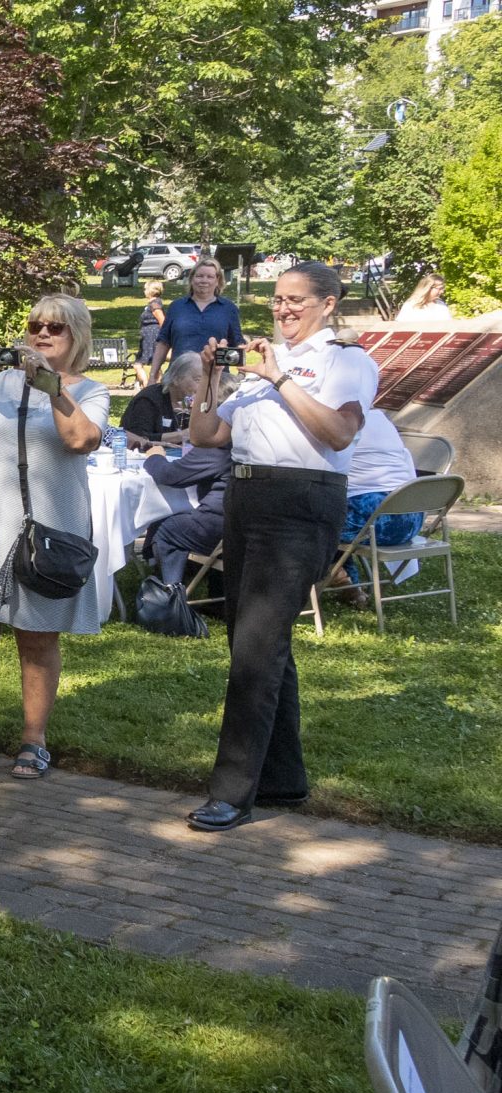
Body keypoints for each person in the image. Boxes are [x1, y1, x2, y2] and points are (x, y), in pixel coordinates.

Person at [183, 262, 374, 833]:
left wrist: (279, 379)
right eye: (278, 299)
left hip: (300, 501)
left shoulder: (345, 362)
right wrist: (213, 379)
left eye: (296, 300)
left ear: (328, 304)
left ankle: (233, 792)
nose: (284, 309)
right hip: (247, 500)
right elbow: (207, 435)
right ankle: (283, 779)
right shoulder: (264, 364)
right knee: (257, 643)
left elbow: (339, 432)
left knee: (255, 650)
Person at [0, 294, 109, 781]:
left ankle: (34, 739)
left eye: (55, 328)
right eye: (35, 325)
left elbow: (80, 440)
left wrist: (51, 387)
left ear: (76, 335)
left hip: (47, 528)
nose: (42, 334)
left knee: (36, 636)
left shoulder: (90, 391)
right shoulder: (2, 385)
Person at [339, 408, 422, 584]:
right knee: (329, 511)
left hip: (371, 524)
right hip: (412, 519)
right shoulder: (382, 419)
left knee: (313, 517)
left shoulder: (337, 422)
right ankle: (344, 578)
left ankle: (340, 575)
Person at [140, 440, 232, 587]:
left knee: (163, 526)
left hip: (220, 531)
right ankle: (216, 599)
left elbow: (168, 476)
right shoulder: (249, 441)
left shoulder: (217, 445)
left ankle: (172, 598)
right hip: (247, 527)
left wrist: (154, 456)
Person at [149, 261, 243, 378]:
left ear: (217, 280)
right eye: (199, 276)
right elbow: (163, 343)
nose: (204, 280)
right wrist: (152, 376)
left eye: (210, 277)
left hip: (216, 380)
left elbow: (237, 345)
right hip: (178, 379)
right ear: (192, 279)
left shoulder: (228, 308)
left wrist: (242, 373)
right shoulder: (177, 307)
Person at [120, 351, 202, 446]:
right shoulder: (148, 400)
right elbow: (136, 438)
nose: (203, 386)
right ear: (176, 379)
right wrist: (181, 435)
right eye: (198, 380)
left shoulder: (190, 400)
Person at [135, 281, 167, 387]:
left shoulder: (154, 304)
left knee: (152, 363)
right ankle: (150, 385)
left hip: (153, 336)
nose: (144, 291)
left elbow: (163, 321)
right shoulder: (152, 303)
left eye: (145, 289)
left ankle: (149, 386)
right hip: (147, 337)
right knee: (140, 364)